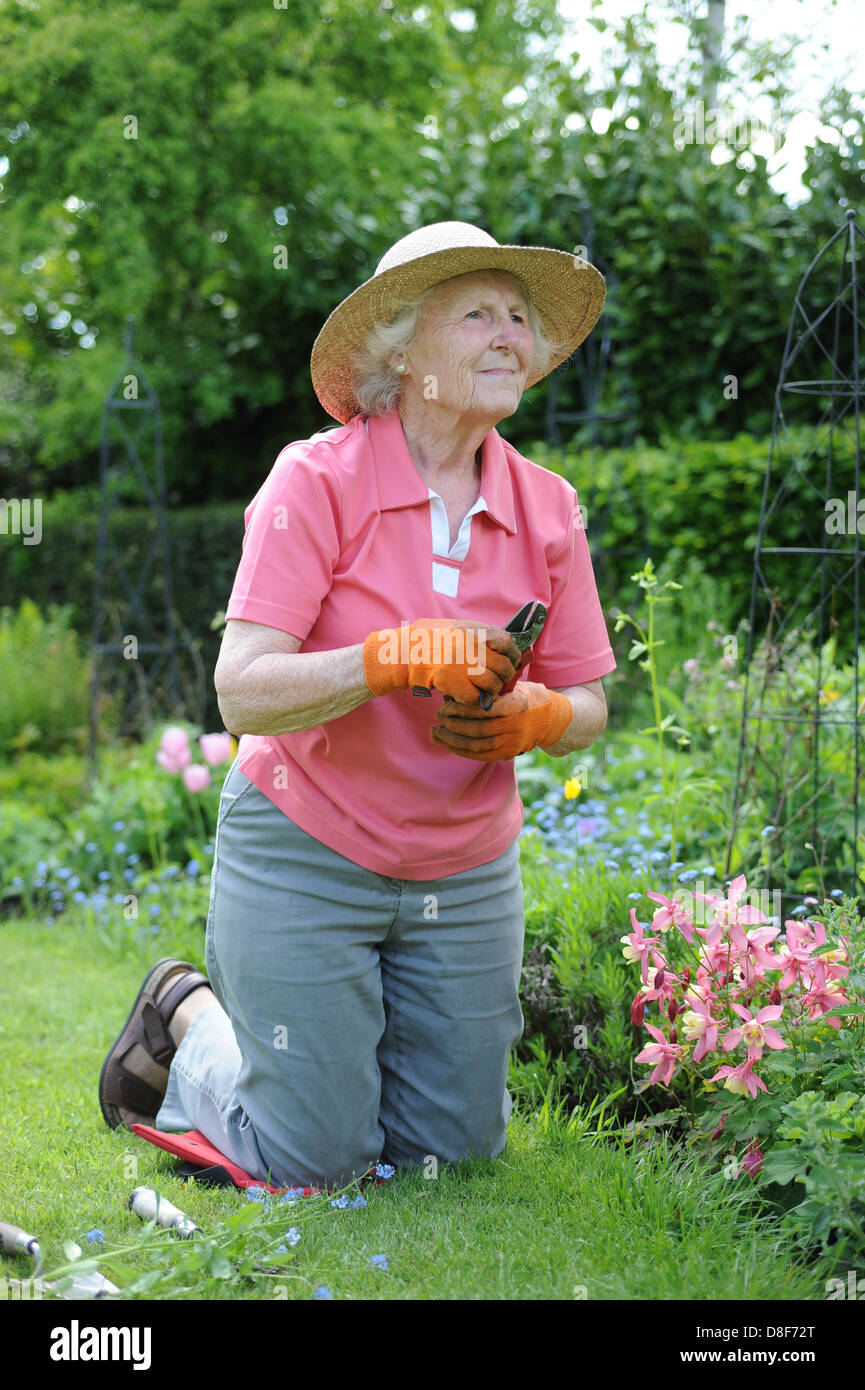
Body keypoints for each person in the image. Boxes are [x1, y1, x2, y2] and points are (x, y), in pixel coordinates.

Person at [99, 220, 617, 1189]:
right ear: (401, 349)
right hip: (309, 843)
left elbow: (589, 695)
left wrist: (539, 717)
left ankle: (332, 1071)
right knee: (314, 1160)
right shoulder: (314, 480)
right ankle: (185, 1012)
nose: (510, 333)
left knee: (449, 1157)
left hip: (461, 869)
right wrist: (386, 659)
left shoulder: (549, 504)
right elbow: (241, 692)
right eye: (478, 312)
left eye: (519, 315)